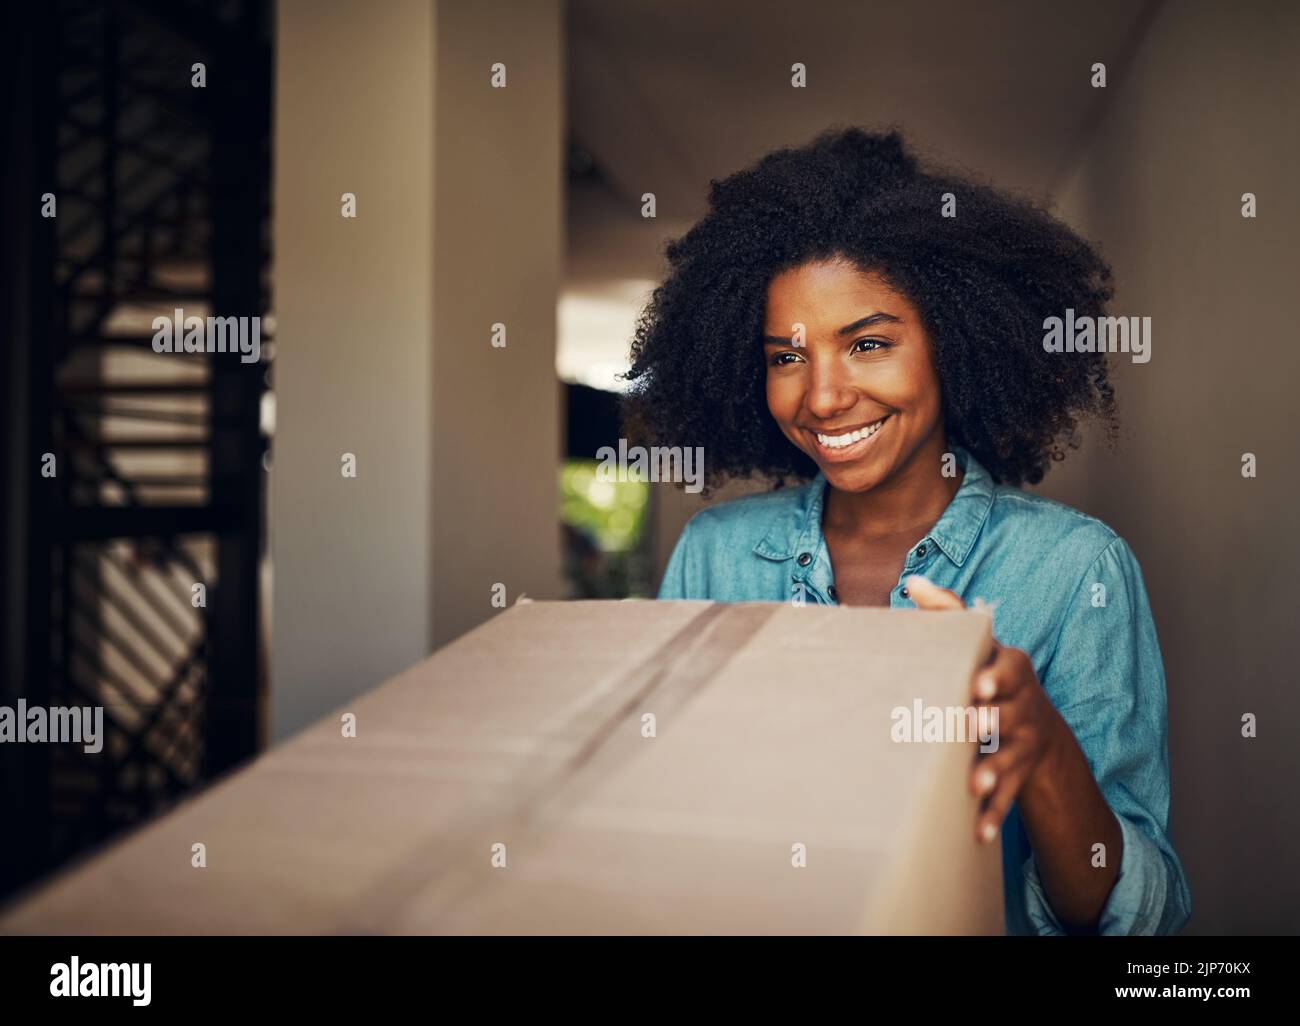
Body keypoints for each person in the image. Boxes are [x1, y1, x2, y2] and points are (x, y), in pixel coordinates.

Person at [623, 126, 1191, 935]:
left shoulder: (1074, 570)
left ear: (951, 346)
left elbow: (1141, 920)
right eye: (786, 356)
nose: (822, 397)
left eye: (868, 344)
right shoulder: (714, 557)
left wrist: (1043, 747)